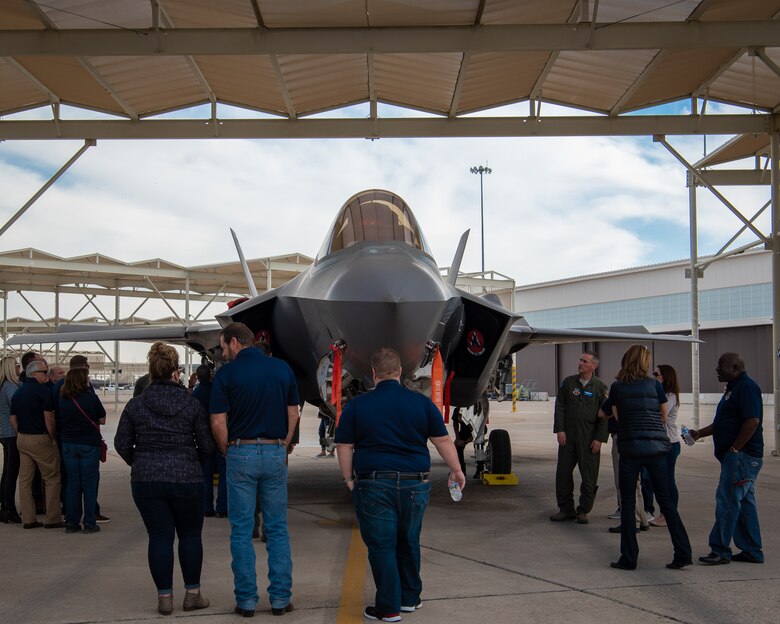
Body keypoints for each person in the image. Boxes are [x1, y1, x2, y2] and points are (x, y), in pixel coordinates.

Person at [335, 348, 466, 622]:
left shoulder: (357, 406)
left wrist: (348, 479)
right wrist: (456, 470)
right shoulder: (421, 404)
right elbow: (442, 440)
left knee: (382, 546)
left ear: (373, 374)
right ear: (400, 373)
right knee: (409, 541)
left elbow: (344, 445)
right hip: (415, 484)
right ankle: (409, 598)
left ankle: (388, 608)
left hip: (374, 484)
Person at [114, 342, 213, 615]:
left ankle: (165, 598)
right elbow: (206, 445)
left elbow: (122, 443)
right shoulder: (191, 404)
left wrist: (141, 461)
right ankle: (192, 594)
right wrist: (192, 462)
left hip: (146, 479)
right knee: (190, 536)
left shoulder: (136, 405)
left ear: (151, 371)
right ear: (175, 372)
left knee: (159, 536)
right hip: (186, 477)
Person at [209, 322, 299, 617]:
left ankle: (246, 601)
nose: (223, 353)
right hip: (274, 451)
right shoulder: (282, 369)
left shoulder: (227, 374)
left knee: (241, 530)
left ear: (235, 343)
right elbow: (293, 412)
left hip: (241, 451)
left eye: (223, 347)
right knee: (277, 529)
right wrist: (283, 444)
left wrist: (226, 448)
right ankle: (280, 599)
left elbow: (218, 421)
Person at [606, 344, 691, 571]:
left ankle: (629, 557)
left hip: (631, 448)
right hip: (656, 448)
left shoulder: (617, 387)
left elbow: (617, 416)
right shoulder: (655, 385)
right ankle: (682, 552)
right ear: (644, 363)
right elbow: (663, 416)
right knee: (666, 501)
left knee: (627, 501)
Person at [689, 352, 764, 565]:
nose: (717, 370)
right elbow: (723, 423)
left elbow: (752, 421)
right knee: (745, 503)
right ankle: (752, 549)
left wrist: (734, 450)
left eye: (720, 367)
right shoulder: (733, 389)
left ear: (735, 368)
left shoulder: (746, 388)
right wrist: (698, 433)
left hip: (742, 457)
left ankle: (720, 549)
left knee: (728, 502)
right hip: (739, 457)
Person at [550, 351, 608, 524]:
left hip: (589, 438)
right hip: (568, 436)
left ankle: (583, 510)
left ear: (594, 365)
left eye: (585, 361)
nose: (580, 363)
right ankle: (566, 509)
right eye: (580, 360)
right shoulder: (569, 383)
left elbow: (604, 415)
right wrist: (560, 429)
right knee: (563, 474)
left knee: (589, 476)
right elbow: (560, 406)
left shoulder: (600, 387)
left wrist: (599, 438)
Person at [10, 359, 63, 529]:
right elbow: (49, 417)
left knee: (25, 480)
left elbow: (13, 419)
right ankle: (53, 518)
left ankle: (28, 519)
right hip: (40, 438)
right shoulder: (42, 391)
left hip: (22, 438)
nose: (46, 375)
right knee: (51, 478)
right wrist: (53, 437)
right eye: (44, 372)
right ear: (34, 374)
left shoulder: (19, 392)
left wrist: (21, 433)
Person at [57, 367, 106, 534]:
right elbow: (102, 419)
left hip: (68, 444)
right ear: (82, 380)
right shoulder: (91, 398)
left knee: (72, 484)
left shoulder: (63, 399)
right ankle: (90, 523)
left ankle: (71, 522)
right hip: (88, 444)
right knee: (89, 484)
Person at [643, 364, 682, 528]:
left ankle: (668, 514)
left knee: (667, 480)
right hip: (657, 442)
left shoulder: (670, 396)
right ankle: (653, 510)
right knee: (649, 477)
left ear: (665, 376)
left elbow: (661, 416)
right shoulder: (660, 394)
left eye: (656, 373)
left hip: (669, 443)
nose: (653, 376)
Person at [191, 364, 226, 518]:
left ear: (198, 377)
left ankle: (206, 508)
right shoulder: (217, 391)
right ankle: (222, 508)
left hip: (204, 438)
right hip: (219, 435)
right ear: (211, 376)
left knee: (206, 474)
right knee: (224, 472)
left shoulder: (196, 394)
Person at [0, 356, 22, 523]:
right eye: (15, 365)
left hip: (4, 433)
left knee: (7, 472)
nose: (18, 368)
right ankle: (9, 509)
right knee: (11, 472)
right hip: (12, 433)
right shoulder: (10, 387)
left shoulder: (3, 385)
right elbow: (17, 410)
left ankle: (4, 506)